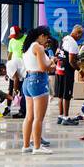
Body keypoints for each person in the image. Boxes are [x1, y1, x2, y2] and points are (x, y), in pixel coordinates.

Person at [20, 26, 53, 154]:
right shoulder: (38, 47)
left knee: (29, 116)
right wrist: (51, 61)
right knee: (38, 118)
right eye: (46, 38)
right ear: (41, 35)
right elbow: (43, 67)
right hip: (38, 81)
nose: (46, 42)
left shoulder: (27, 47)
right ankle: (37, 147)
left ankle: (26, 145)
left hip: (28, 80)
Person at [6, 25, 24, 105]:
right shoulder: (12, 41)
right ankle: (8, 107)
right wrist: (8, 70)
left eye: (15, 35)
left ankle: (22, 109)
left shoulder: (26, 39)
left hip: (23, 68)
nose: (14, 38)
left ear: (20, 33)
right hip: (13, 68)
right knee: (11, 89)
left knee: (22, 90)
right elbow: (10, 54)